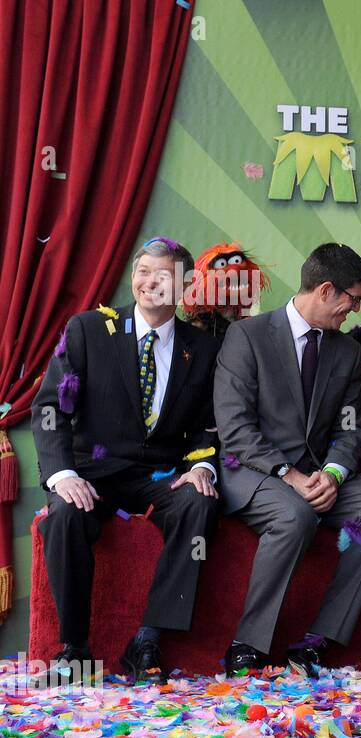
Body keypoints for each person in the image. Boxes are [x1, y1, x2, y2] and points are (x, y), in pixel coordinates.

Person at [32, 237, 222, 685]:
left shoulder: (205, 348)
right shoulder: (87, 330)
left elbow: (211, 426)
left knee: (201, 502)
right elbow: (50, 409)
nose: (149, 282)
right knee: (62, 515)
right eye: (142, 271)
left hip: (160, 474)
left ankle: (147, 638)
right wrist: (61, 475)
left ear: (186, 285)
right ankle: (74, 649)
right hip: (93, 471)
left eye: (162, 274)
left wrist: (201, 467)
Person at [214, 243, 361, 677]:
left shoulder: (347, 352)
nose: (355, 311)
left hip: (321, 470)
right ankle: (249, 643)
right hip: (256, 469)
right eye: (352, 300)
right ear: (324, 290)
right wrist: (290, 475)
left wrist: (334, 473)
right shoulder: (246, 336)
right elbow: (235, 428)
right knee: (296, 515)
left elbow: (350, 426)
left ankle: (318, 641)